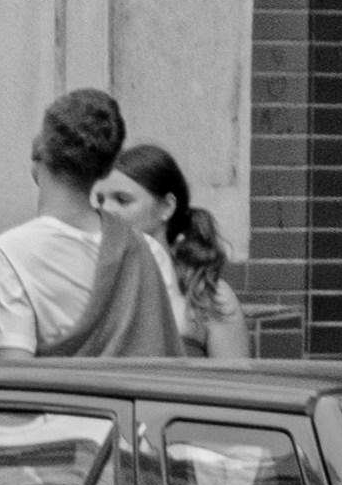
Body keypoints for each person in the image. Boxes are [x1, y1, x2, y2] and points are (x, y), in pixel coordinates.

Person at [0, 88, 185, 360]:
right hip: (134, 402)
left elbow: (17, 380)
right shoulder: (149, 252)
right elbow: (163, 358)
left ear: (40, 151)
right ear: (107, 169)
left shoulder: (6, 255)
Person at [101, 139, 253, 360]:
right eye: (100, 200)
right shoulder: (92, 282)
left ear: (167, 207)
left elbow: (236, 388)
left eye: (122, 200)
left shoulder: (207, 296)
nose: (106, 210)